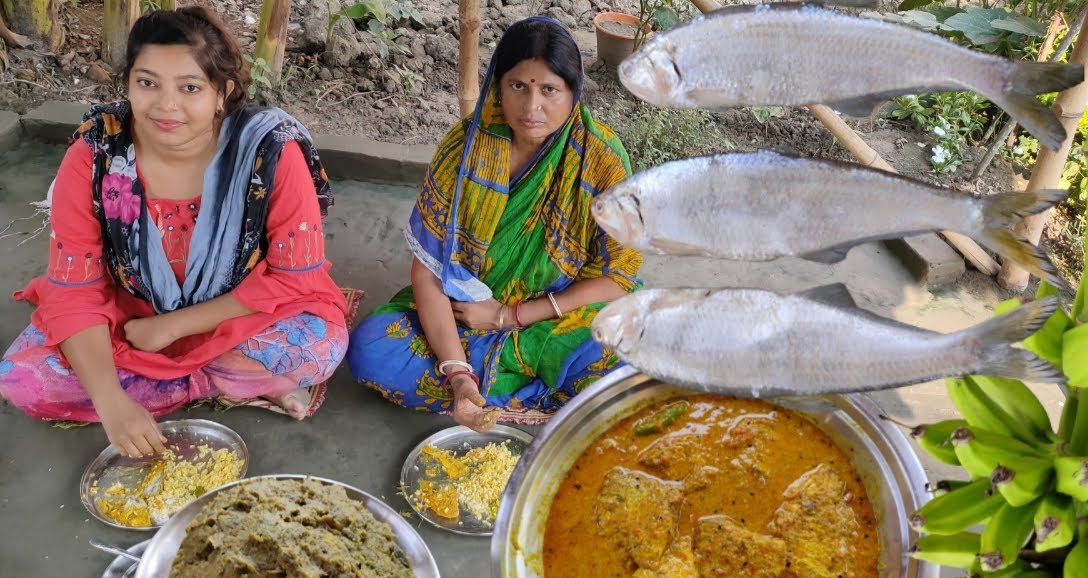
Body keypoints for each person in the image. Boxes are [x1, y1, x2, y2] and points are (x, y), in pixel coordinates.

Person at [0, 8, 350, 457]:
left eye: (189, 88)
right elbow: (74, 292)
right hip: (130, 315)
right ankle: (234, 380)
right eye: (147, 83)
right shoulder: (96, 155)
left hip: (240, 313)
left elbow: (293, 277)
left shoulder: (269, 152)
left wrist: (172, 327)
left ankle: (182, 379)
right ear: (127, 84)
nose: (166, 106)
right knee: (23, 380)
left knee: (319, 344)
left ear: (221, 93)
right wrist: (110, 402)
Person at [347, 16, 642, 431]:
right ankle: (510, 379)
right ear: (498, 85)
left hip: (555, 313)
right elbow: (429, 271)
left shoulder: (602, 159)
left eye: (549, 90)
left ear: (574, 94)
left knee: (626, 346)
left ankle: (520, 367)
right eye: (518, 86)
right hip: (464, 312)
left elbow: (618, 276)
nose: (531, 107)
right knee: (371, 351)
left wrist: (509, 316)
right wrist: (459, 375)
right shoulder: (465, 149)